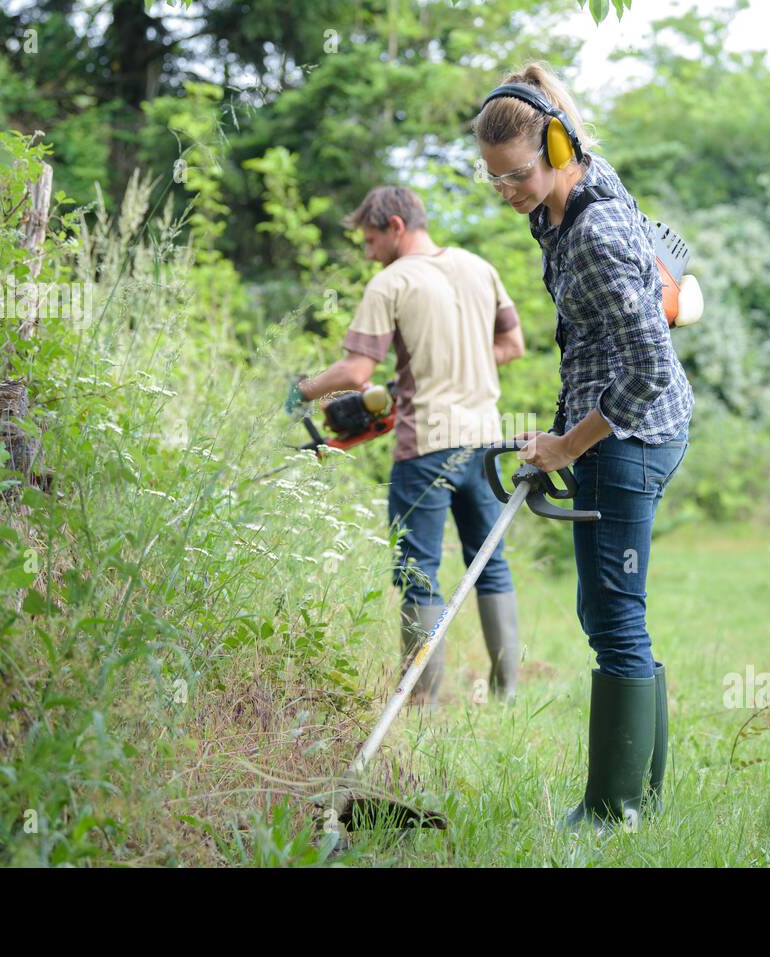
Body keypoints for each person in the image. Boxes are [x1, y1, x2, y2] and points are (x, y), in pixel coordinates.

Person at [473, 64, 694, 833]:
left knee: (612, 617)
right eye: (495, 179)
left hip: (631, 435)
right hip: (627, 426)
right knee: (615, 611)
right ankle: (646, 798)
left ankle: (613, 808)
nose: (509, 192)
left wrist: (567, 444)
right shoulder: (564, 201)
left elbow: (649, 368)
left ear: (559, 148)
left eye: (520, 175)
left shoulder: (593, 228)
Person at [286, 186, 528, 709]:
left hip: (427, 450)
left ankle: (421, 703)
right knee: (491, 562)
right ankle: (508, 694)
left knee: (418, 570)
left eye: (371, 240)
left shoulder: (390, 283)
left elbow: (354, 372)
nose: (369, 252)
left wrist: (302, 390)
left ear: (396, 226)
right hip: (485, 444)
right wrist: (454, 366)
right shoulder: (477, 266)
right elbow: (512, 345)